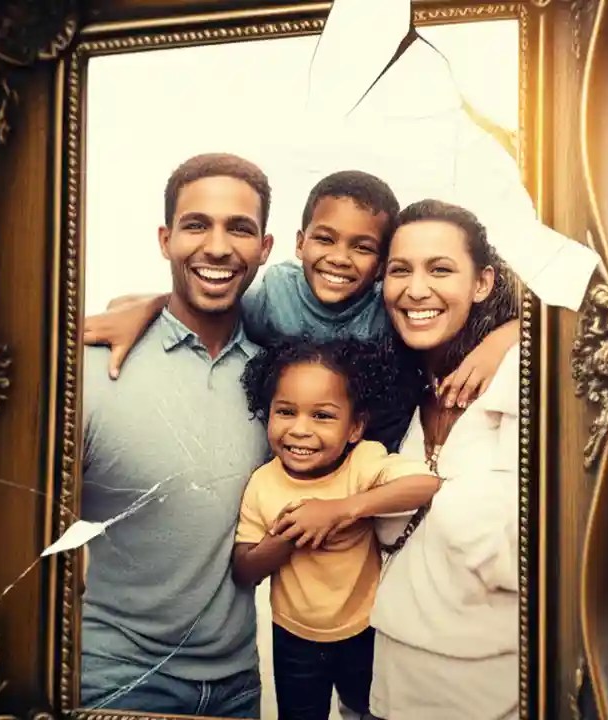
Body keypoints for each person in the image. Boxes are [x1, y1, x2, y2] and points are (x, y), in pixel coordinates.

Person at [83, 170, 521, 451]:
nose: (339, 258)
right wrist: (146, 308)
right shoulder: (275, 295)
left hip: (369, 451)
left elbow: (558, 305)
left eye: (363, 248)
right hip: (301, 448)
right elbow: (211, 309)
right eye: (325, 239)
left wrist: (506, 336)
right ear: (298, 243)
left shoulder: (387, 304)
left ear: (380, 267)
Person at [79, 152, 275, 716]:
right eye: (197, 225)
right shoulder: (92, 371)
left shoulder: (280, 381)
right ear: (166, 239)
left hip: (239, 686)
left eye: (240, 228)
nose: (217, 246)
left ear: (264, 248)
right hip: (118, 679)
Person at [364, 199, 526, 720]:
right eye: (399, 270)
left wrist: (520, 330)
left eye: (441, 269)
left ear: (483, 283)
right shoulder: (397, 394)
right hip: (392, 683)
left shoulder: (520, 379)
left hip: (496, 691)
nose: (416, 289)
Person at [232, 337, 441, 720]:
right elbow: (244, 570)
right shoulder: (263, 483)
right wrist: (288, 535)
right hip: (294, 636)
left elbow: (426, 485)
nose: (299, 430)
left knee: (368, 710)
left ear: (355, 427)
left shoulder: (363, 462)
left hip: (364, 627)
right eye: (286, 412)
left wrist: (341, 510)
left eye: (322, 416)